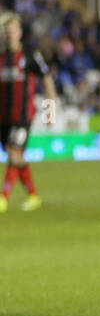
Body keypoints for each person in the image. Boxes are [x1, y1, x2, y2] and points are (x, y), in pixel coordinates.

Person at [0, 11, 55, 213]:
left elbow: (47, 80)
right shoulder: (1, 57)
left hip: (23, 116)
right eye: (6, 30)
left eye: (12, 29)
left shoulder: (30, 55)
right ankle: (33, 196)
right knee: (15, 156)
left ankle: (2, 198)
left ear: (19, 32)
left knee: (14, 152)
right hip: (3, 117)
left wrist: (50, 111)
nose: (9, 34)